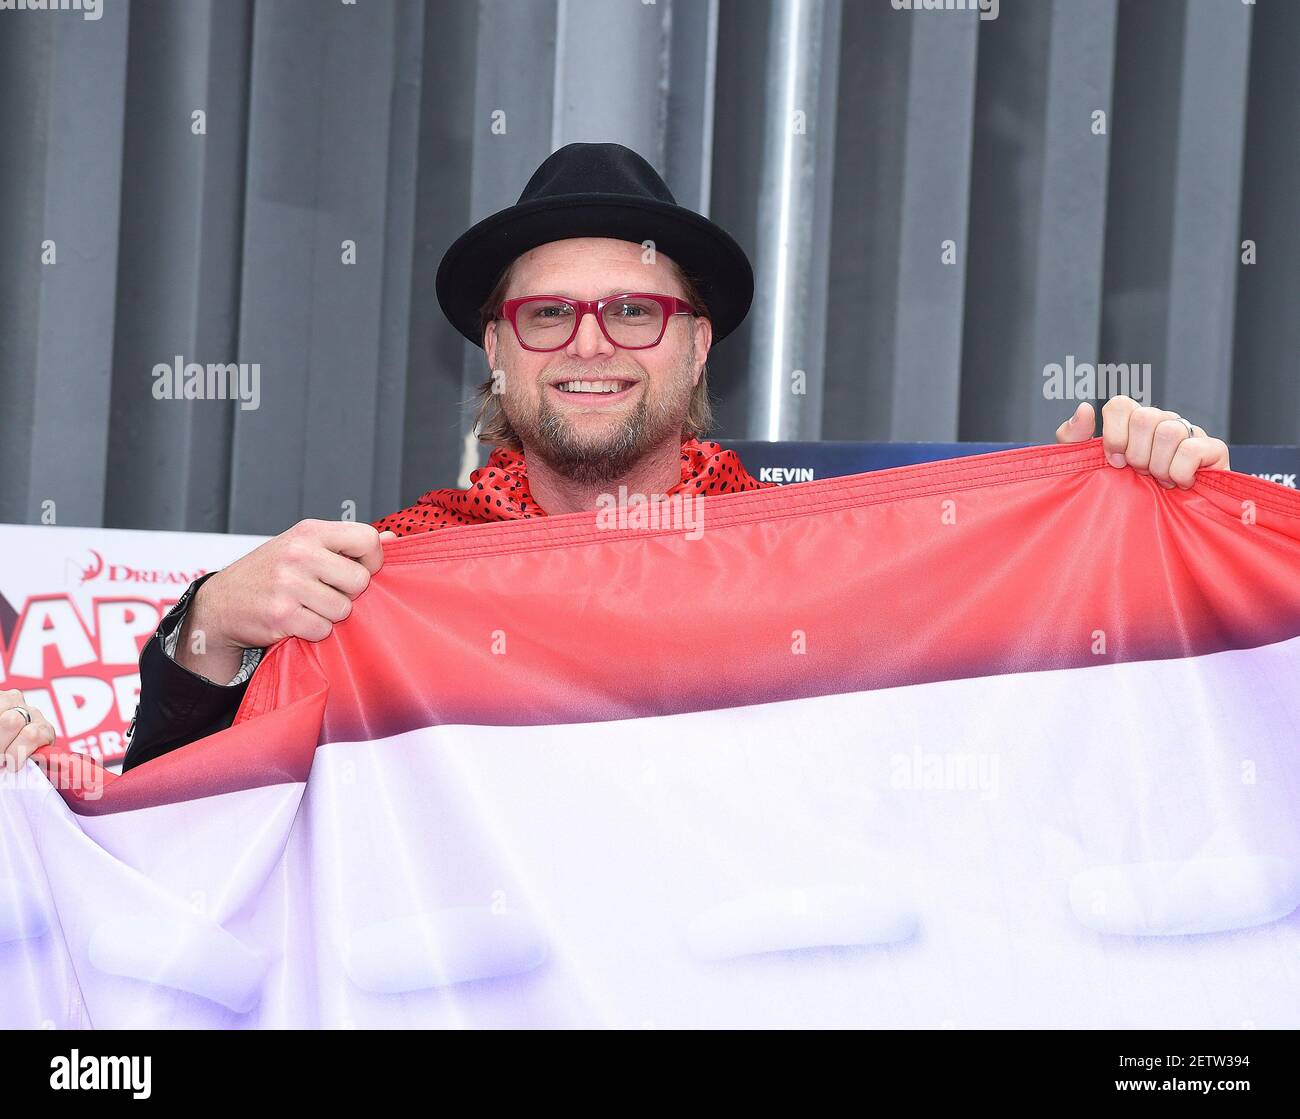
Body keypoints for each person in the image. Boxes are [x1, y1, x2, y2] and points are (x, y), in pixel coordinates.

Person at [78, 141, 1222, 774]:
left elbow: (1062, 745)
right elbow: (184, 849)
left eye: (633, 311)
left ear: (692, 344)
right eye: (546, 316)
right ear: (496, 344)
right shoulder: (380, 589)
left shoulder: (828, 555)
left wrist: (1135, 514)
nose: (589, 346)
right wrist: (211, 629)